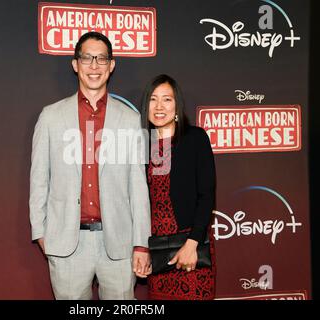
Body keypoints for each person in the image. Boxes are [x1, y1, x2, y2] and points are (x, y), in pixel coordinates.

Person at [29, 32, 151, 300]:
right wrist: (41, 232)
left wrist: (141, 243)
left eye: (101, 58)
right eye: (87, 58)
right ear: (75, 64)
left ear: (112, 65)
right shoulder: (50, 117)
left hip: (119, 242)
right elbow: (39, 179)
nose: (94, 66)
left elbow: (138, 185)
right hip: (66, 243)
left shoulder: (131, 119)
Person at [140, 74, 216, 300]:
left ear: (177, 106)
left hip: (190, 249)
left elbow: (207, 195)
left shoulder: (195, 138)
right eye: (153, 100)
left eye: (167, 99)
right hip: (158, 254)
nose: (159, 106)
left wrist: (192, 243)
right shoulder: (143, 144)